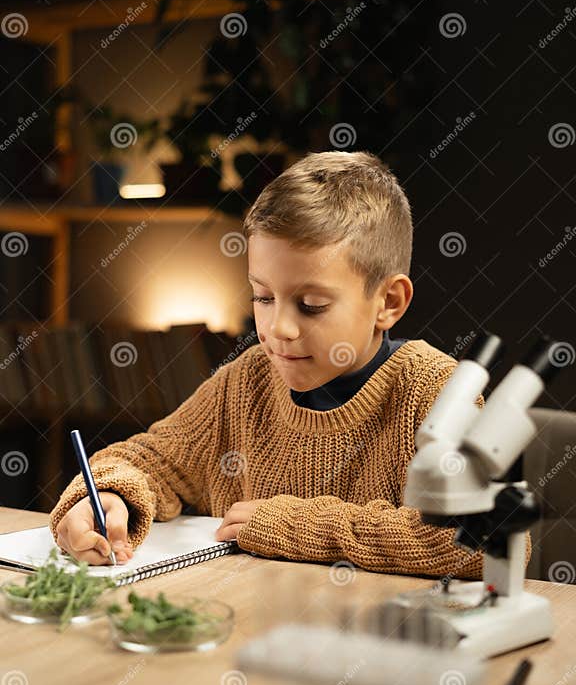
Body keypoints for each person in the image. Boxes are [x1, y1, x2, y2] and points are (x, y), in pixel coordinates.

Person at [49, 150, 531, 576]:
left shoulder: (434, 389)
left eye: (312, 305)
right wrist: (112, 498)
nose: (279, 328)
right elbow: (149, 460)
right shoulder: (246, 381)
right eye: (262, 297)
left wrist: (300, 526)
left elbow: (489, 538)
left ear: (389, 302)